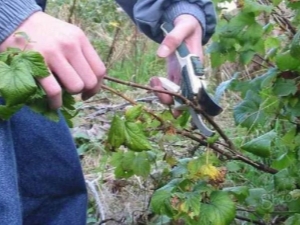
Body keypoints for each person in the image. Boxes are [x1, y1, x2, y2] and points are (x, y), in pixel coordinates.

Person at [0, 0, 216, 224]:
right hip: (15, 38)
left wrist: (175, 8)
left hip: (21, 63)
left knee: (52, 196)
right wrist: (9, 15)